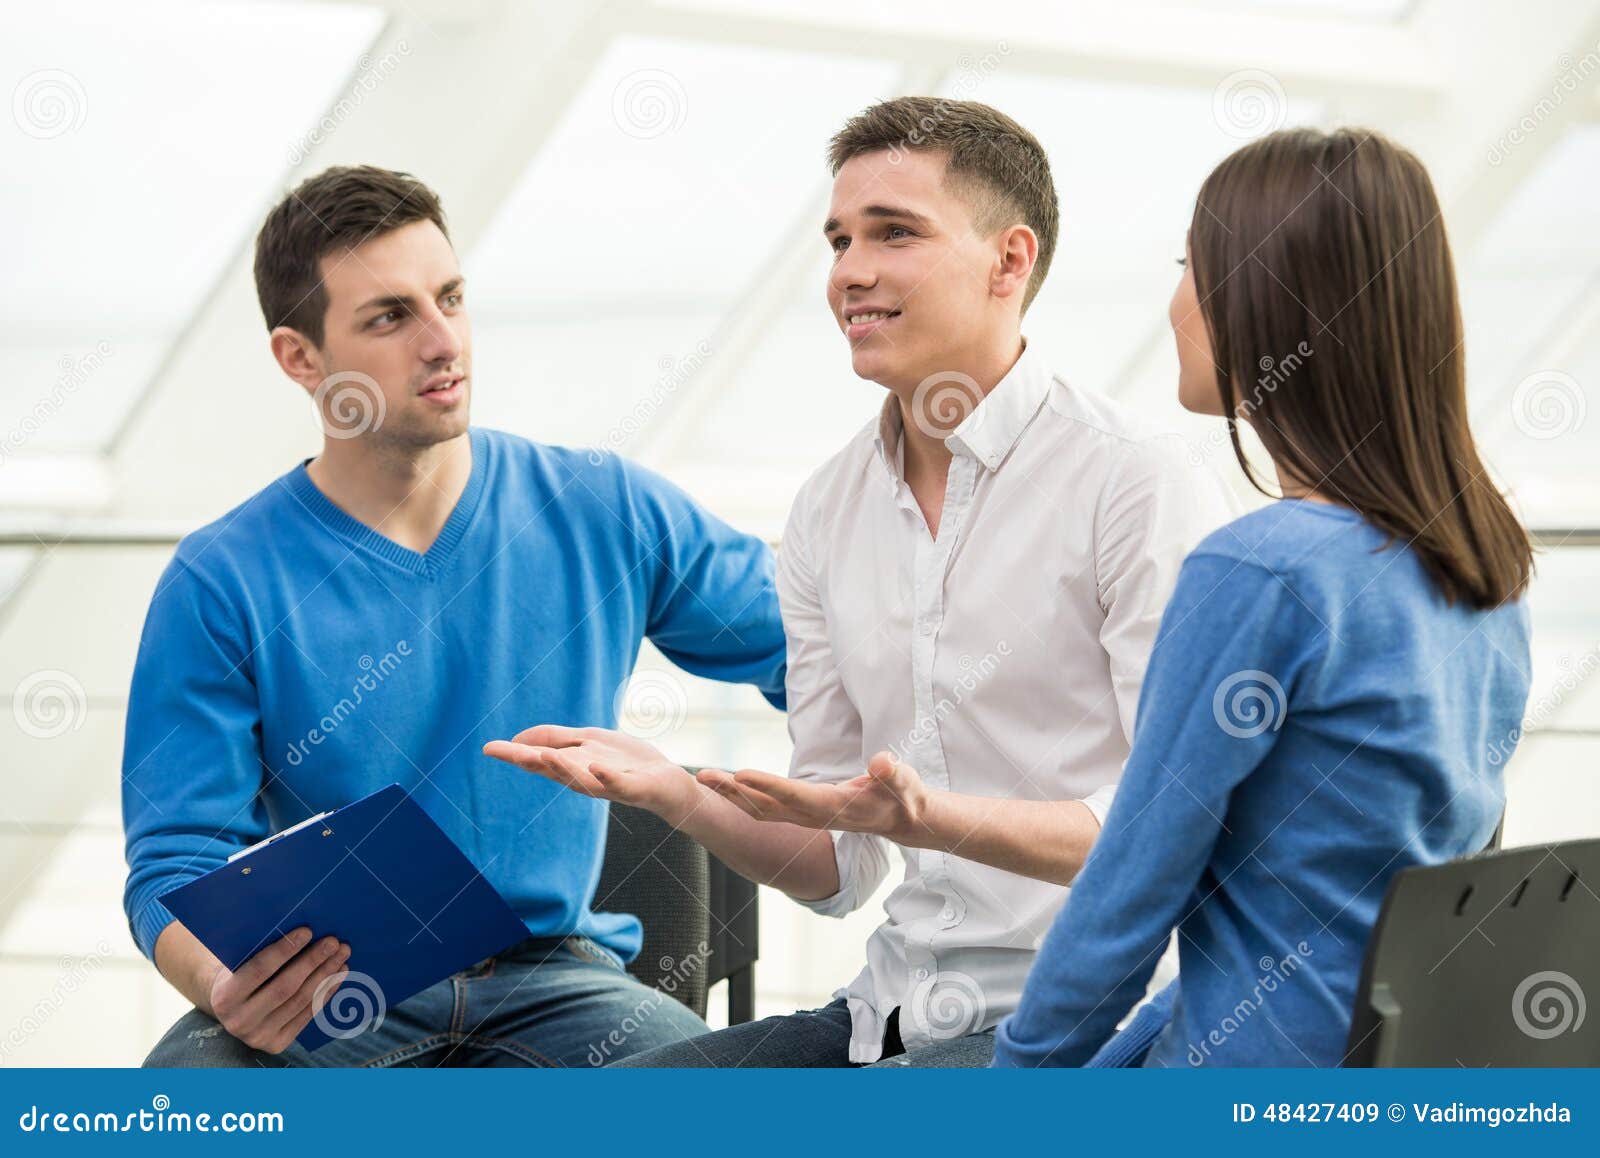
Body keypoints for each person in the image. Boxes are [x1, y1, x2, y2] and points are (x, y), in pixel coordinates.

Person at [485, 97, 1235, 1067]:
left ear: (1010, 261)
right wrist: (675, 792)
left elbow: (1169, 822)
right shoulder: (826, 512)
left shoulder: (1136, 480)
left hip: (1092, 1028)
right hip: (892, 1013)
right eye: (839, 239)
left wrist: (928, 817)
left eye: (894, 234)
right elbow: (836, 864)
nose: (851, 272)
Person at [124, 165, 787, 1067]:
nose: (445, 342)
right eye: (390, 317)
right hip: (340, 993)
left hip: (565, 982)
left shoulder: (601, 506)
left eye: (452, 298)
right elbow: (174, 863)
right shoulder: (221, 578)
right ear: (301, 358)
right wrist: (224, 987)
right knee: (177, 1104)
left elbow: (818, 649)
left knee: (717, 1098)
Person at [991, 127, 1535, 1069]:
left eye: (1188, 267)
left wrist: (1017, 1082)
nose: (1172, 306)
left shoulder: (1262, 571)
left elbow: (1131, 889)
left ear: (1266, 301)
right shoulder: (1488, 566)